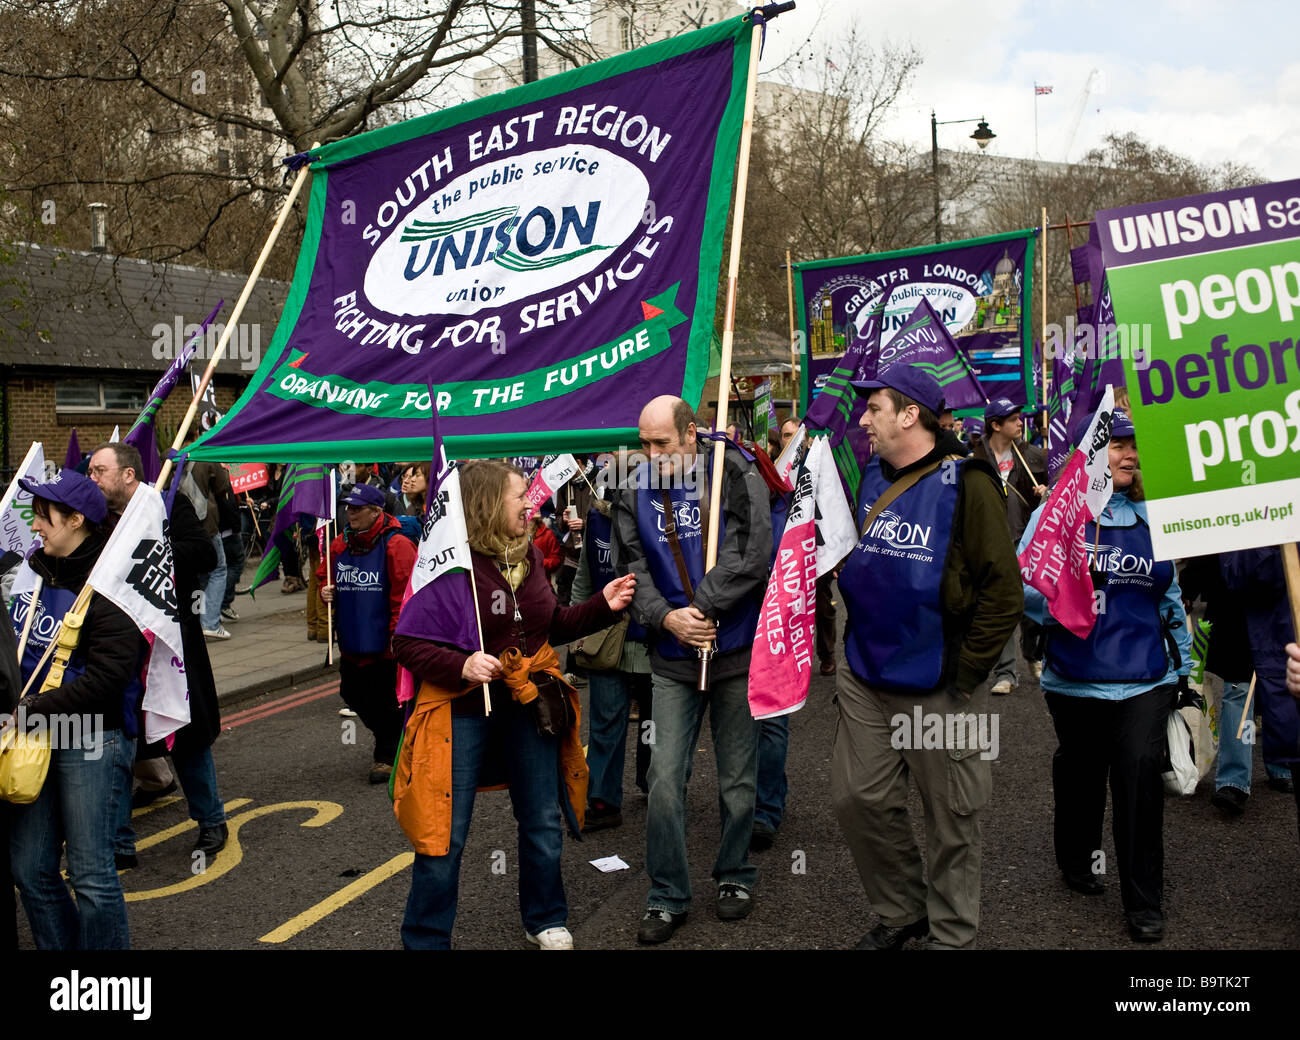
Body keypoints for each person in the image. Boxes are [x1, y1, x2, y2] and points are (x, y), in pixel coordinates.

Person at [391, 460, 633, 950]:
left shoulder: (526, 557)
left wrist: (602, 606)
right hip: (459, 712)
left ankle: (545, 918)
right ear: (485, 505)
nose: (530, 504)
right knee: (445, 836)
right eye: (520, 496)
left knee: (543, 819)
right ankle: (425, 939)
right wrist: (460, 664)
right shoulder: (449, 566)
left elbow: (552, 627)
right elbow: (406, 643)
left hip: (528, 707)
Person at [831, 365, 1021, 951]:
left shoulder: (972, 484)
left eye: (874, 409)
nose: (863, 420)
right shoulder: (868, 473)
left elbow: (1003, 592)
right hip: (866, 670)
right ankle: (902, 909)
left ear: (909, 414)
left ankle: (951, 935)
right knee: (857, 797)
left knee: (952, 818)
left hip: (941, 680)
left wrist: (968, 675)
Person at [1019, 409, 1192, 944]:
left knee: (1139, 776)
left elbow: (1170, 598)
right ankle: (1078, 861)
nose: (1131, 455)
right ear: (1092, 453)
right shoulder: (1056, 513)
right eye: (1119, 444)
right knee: (1082, 773)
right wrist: (1065, 585)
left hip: (1145, 679)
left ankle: (1144, 902)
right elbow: (1024, 585)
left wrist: (1184, 670)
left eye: (1136, 446)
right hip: (1075, 681)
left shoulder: (1152, 517)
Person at [611, 396, 773, 945]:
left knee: (737, 782)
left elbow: (753, 553)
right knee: (663, 782)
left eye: (662, 443)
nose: (650, 453)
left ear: (691, 434)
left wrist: (703, 608)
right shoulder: (632, 482)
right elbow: (631, 566)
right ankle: (667, 894)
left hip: (734, 652)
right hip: (672, 656)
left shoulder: (734, 468)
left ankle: (733, 875)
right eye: (643, 442)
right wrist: (669, 619)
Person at [6, 470, 145, 949]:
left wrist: (31, 708)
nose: (35, 525)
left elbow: (108, 680)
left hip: (92, 736)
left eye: (43, 515)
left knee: (90, 875)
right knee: (28, 868)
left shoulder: (113, 585)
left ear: (76, 519)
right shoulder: (36, 571)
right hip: (37, 732)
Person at [88, 441, 231, 862]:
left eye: (99, 471)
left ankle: (211, 821)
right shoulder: (95, 520)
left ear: (128, 475)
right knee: (118, 739)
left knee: (187, 736)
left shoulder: (168, 504)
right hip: (116, 644)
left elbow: (203, 552)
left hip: (171, 640)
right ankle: (119, 842)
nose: (91, 479)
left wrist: (147, 552)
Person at [318, 482, 416, 783]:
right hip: (352, 638)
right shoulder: (341, 543)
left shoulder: (397, 545)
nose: (350, 513)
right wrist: (326, 589)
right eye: (348, 508)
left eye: (357, 509)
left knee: (386, 700)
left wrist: (397, 636)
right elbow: (326, 573)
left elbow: (405, 595)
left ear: (376, 511)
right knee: (352, 694)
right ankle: (398, 739)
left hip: (385, 643)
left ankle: (387, 754)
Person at [570, 489, 652, 830]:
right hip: (606, 639)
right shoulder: (597, 518)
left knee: (656, 726)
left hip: (655, 637)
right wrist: (577, 631)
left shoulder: (661, 509)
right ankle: (603, 800)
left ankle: (659, 786)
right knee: (605, 722)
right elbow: (585, 577)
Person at [971, 398, 1047, 695]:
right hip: (993, 541)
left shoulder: (1033, 456)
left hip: (1026, 538)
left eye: (1019, 418)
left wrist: (1046, 492)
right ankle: (1006, 672)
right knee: (1000, 604)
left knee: (1030, 601)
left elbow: (1055, 497)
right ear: (995, 425)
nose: (1019, 423)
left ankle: (1033, 653)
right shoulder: (975, 459)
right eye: (1013, 419)